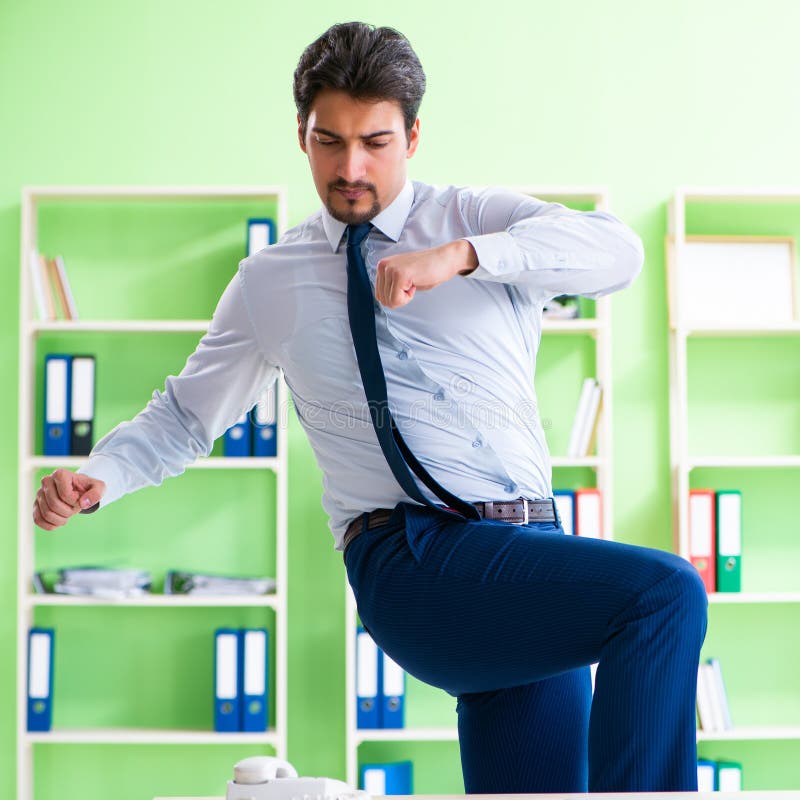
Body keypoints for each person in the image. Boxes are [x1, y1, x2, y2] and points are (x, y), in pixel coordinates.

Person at [33, 21, 707, 794]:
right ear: (302, 135)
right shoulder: (271, 280)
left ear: (413, 136)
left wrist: (464, 257)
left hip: (527, 555)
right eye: (330, 141)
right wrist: (102, 474)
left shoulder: (475, 223)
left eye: (376, 143)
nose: (351, 167)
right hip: (410, 559)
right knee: (665, 594)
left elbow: (616, 252)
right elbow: (186, 416)